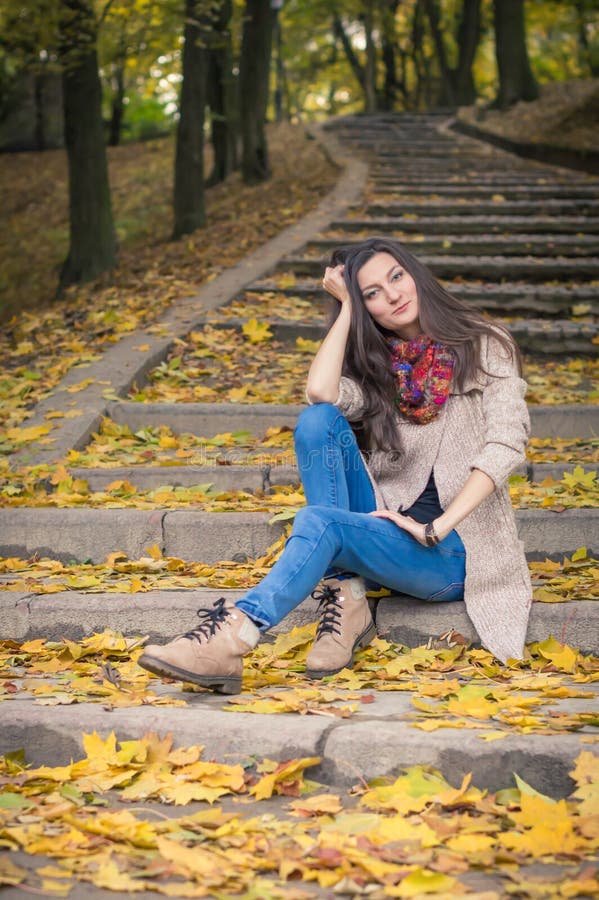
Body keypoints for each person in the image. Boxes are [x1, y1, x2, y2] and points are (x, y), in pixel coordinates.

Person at [139, 237, 532, 694]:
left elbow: (507, 444)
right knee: (318, 420)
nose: (393, 295)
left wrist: (435, 527)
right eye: (372, 294)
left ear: (415, 274)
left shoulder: (485, 344)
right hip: (384, 531)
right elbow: (321, 393)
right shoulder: (382, 367)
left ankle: (233, 638)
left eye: (397, 277)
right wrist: (346, 308)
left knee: (319, 521)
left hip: (452, 553)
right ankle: (346, 592)